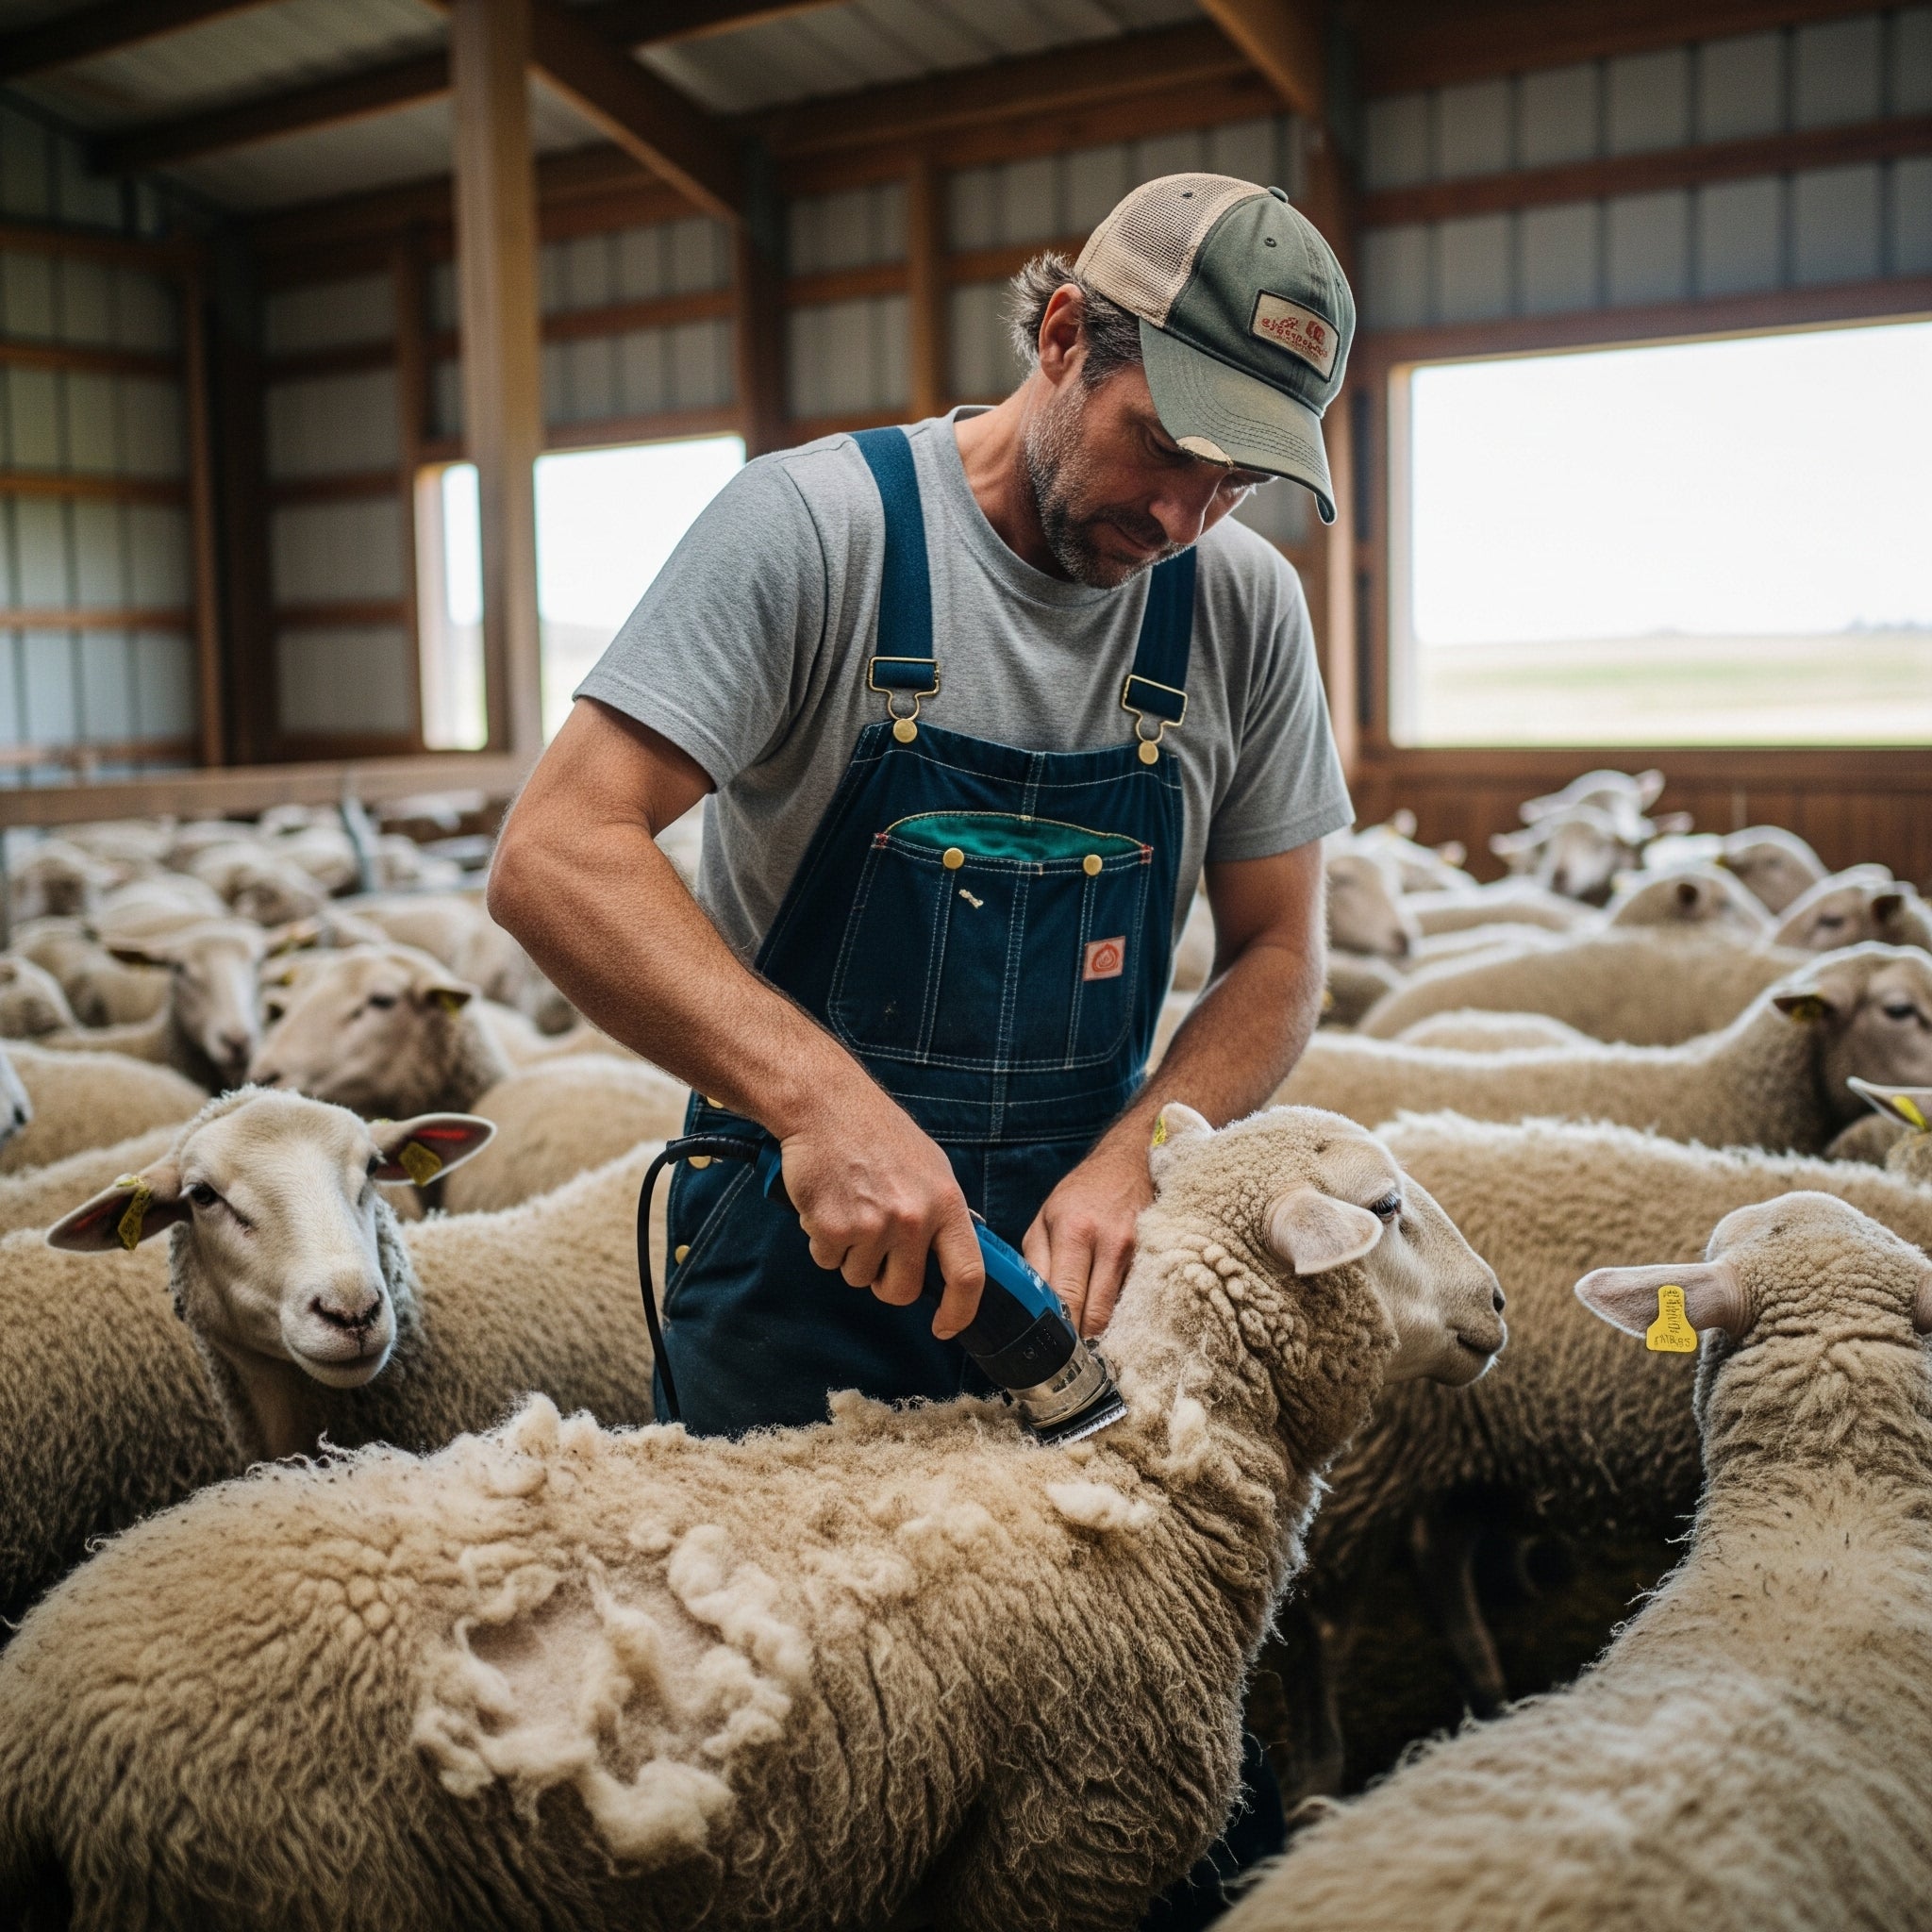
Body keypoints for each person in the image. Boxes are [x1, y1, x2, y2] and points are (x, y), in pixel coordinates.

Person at [490, 174, 1356, 1918]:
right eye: (1167, 446)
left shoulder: (1241, 611)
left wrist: (1140, 1153)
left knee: (1089, 1789)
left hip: (1068, 1276)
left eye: (1239, 475)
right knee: (768, 1789)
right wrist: (816, 1097)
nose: (1189, 513)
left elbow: (1278, 956)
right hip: (796, 1257)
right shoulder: (814, 534)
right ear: (1060, 341)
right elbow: (558, 850)